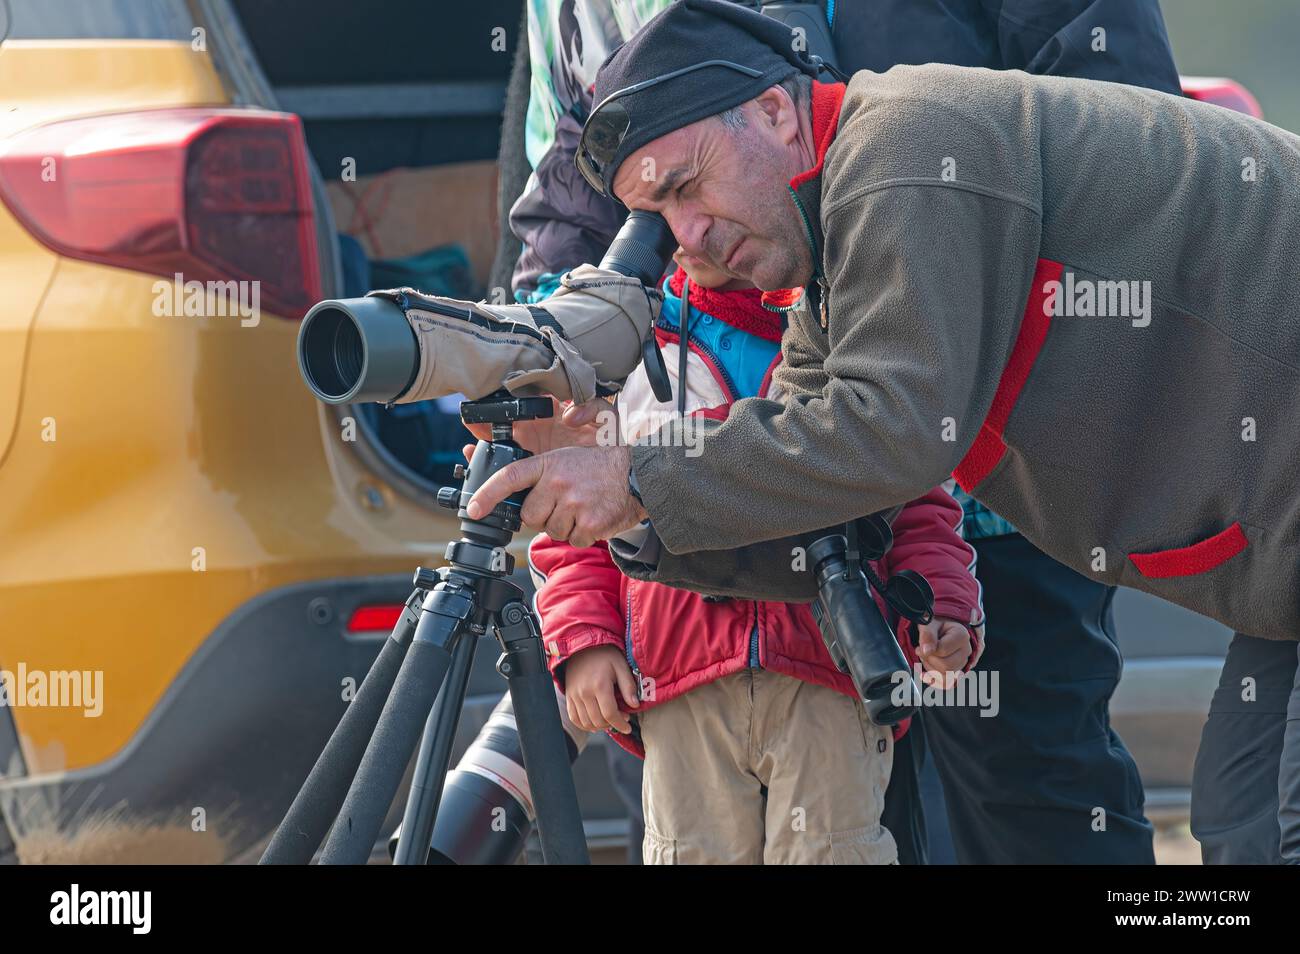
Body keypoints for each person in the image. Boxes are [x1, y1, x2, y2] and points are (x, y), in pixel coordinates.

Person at [469, 0, 1300, 862]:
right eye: (659, 218)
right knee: (1247, 835)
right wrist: (614, 513)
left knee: (1275, 832)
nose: (690, 239)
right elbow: (812, 494)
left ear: (776, 113)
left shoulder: (903, 146)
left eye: (687, 186)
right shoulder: (832, 265)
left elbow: (892, 429)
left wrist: (630, 477)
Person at [529, 247, 984, 863]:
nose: (695, 228)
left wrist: (941, 607)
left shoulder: (848, 339)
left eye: (705, 187)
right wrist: (586, 640)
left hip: (831, 676)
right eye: (671, 204)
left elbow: (917, 504)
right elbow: (577, 525)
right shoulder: (624, 356)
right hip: (677, 684)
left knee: (833, 850)